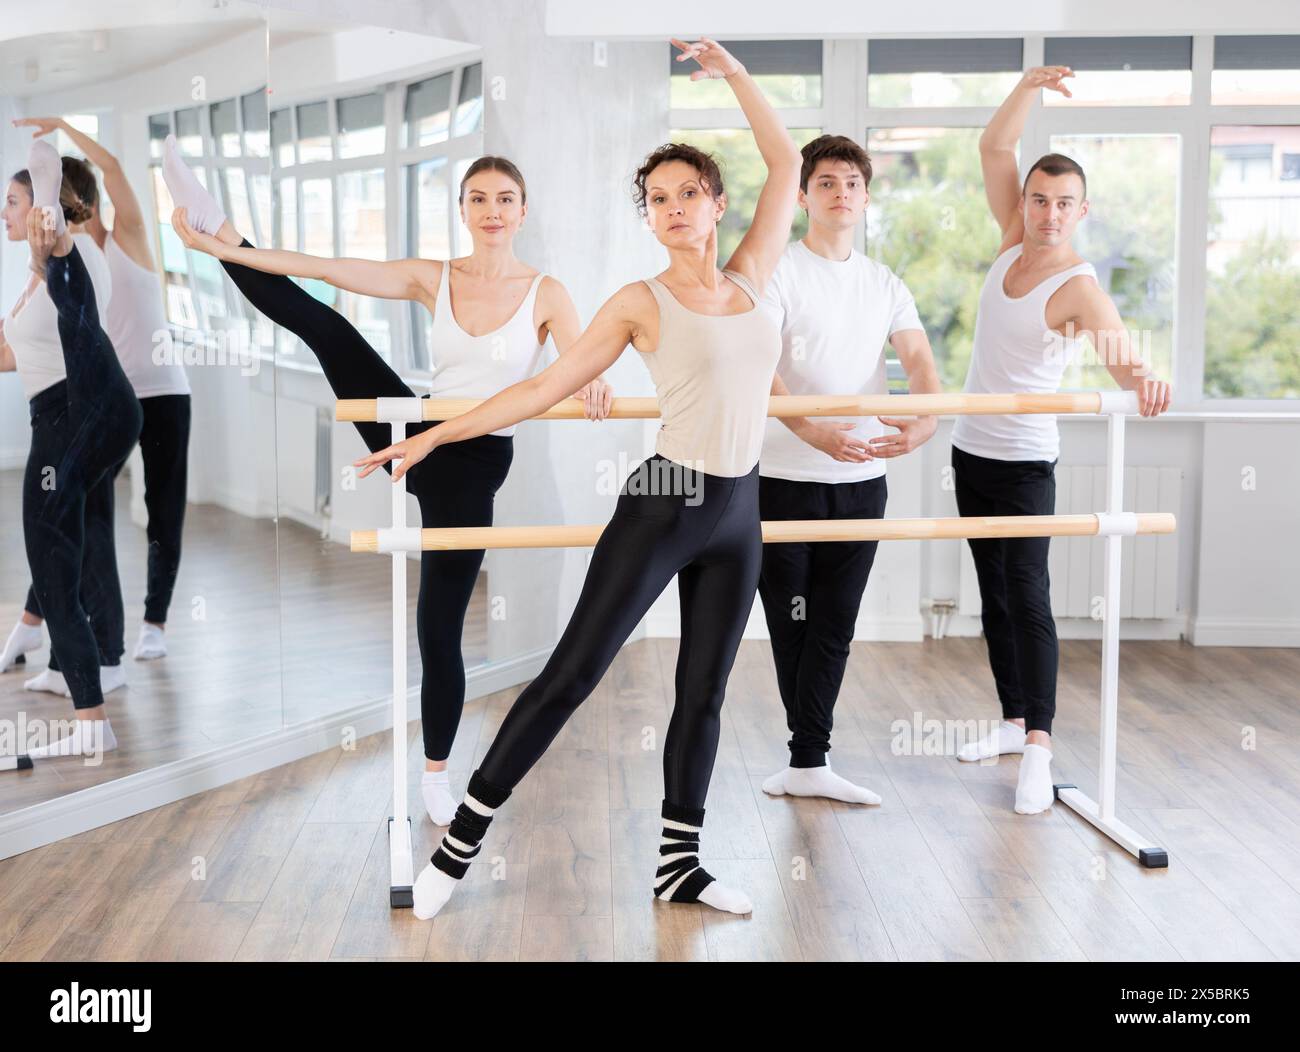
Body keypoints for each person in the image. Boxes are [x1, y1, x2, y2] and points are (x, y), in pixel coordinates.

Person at [353, 37, 802, 920]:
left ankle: (681, 864)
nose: (672, 208)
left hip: (742, 507)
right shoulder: (640, 301)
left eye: (687, 195)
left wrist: (734, 74)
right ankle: (461, 839)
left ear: (716, 205)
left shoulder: (754, 279)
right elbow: (536, 388)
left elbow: (786, 160)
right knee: (572, 673)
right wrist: (435, 434)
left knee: (704, 692)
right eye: (657, 199)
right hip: (667, 500)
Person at [165, 137, 612, 825]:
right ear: (463, 209)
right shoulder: (432, 275)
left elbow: (582, 359)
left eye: (505, 200)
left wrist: (599, 380)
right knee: (329, 328)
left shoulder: (545, 291)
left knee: (438, 623)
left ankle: (436, 772)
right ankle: (223, 230)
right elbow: (323, 270)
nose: (492, 211)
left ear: (523, 211)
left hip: (476, 459)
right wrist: (225, 251)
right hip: (413, 432)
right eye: (478, 199)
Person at [950, 66, 1172, 813]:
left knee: (1029, 597)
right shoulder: (1012, 241)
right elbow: (993, 145)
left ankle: (1040, 748)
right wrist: (1026, 86)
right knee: (992, 598)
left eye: (1062, 204)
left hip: (1022, 461)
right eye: (1039, 200)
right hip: (969, 449)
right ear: (1027, 204)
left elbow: (1118, 352)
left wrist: (1144, 376)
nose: (1048, 214)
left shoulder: (1078, 285)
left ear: (1082, 212)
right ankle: (1012, 722)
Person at [756, 134, 942, 804]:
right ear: (803, 195)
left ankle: (810, 760)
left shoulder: (884, 282)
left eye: (853, 184)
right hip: (780, 479)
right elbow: (760, 366)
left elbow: (919, 361)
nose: (841, 194)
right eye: (827, 182)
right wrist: (809, 428)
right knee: (791, 623)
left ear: (866, 198)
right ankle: (806, 757)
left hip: (859, 482)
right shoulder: (778, 270)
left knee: (834, 625)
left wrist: (925, 418)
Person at [1, 117, 193, 679]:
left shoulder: (126, 238)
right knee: (80, 513)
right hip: (106, 397)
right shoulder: (65, 255)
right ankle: (59, 635)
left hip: (161, 392)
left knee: (162, 508)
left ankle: (152, 624)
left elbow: (111, 170)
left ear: (69, 200)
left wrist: (62, 128)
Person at [0, 140, 142, 765]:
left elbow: (74, 302)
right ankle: (53, 656)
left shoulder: (76, 249)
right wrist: (39, 257)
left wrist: (50, 239)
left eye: (13, 202)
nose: (3, 212)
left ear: (44, 208)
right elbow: (10, 353)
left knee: (53, 552)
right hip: (81, 412)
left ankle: (90, 719)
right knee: (64, 543)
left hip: (74, 414)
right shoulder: (37, 275)